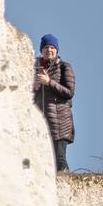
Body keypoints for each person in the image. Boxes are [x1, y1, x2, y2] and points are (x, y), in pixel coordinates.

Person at [33, 34, 76, 172]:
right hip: (41, 123)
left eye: (52, 47)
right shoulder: (35, 68)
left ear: (57, 51)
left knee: (59, 159)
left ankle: (64, 188)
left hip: (60, 122)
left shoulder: (64, 67)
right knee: (43, 161)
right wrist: (33, 87)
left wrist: (49, 82)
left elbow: (69, 92)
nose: (49, 50)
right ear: (41, 50)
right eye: (46, 47)